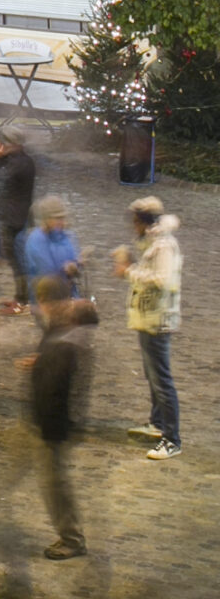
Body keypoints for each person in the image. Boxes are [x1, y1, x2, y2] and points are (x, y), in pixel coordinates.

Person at [27, 275, 93, 557]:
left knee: (57, 484)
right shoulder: (64, 327)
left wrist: (53, 427)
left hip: (54, 422)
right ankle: (70, 536)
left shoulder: (65, 338)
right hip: (50, 419)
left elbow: (62, 386)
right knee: (54, 481)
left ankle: (72, 539)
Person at [115, 195, 182, 459]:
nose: (132, 226)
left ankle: (172, 439)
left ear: (144, 221)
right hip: (148, 317)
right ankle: (158, 424)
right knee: (153, 376)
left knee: (162, 380)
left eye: (135, 221)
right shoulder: (153, 241)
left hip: (158, 320)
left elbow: (163, 280)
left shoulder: (164, 245)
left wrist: (129, 271)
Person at [0, 122, 39, 309]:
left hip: (16, 219)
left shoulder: (20, 164)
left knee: (20, 261)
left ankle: (25, 299)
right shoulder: (15, 161)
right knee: (14, 260)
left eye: (2, 143)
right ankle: (21, 296)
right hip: (10, 217)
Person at [21, 196, 84, 299]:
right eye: (57, 218)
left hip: (67, 293)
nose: (62, 222)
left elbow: (72, 256)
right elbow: (46, 271)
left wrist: (76, 264)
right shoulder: (36, 240)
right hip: (47, 298)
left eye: (63, 218)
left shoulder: (64, 235)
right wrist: (65, 268)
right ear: (46, 219)